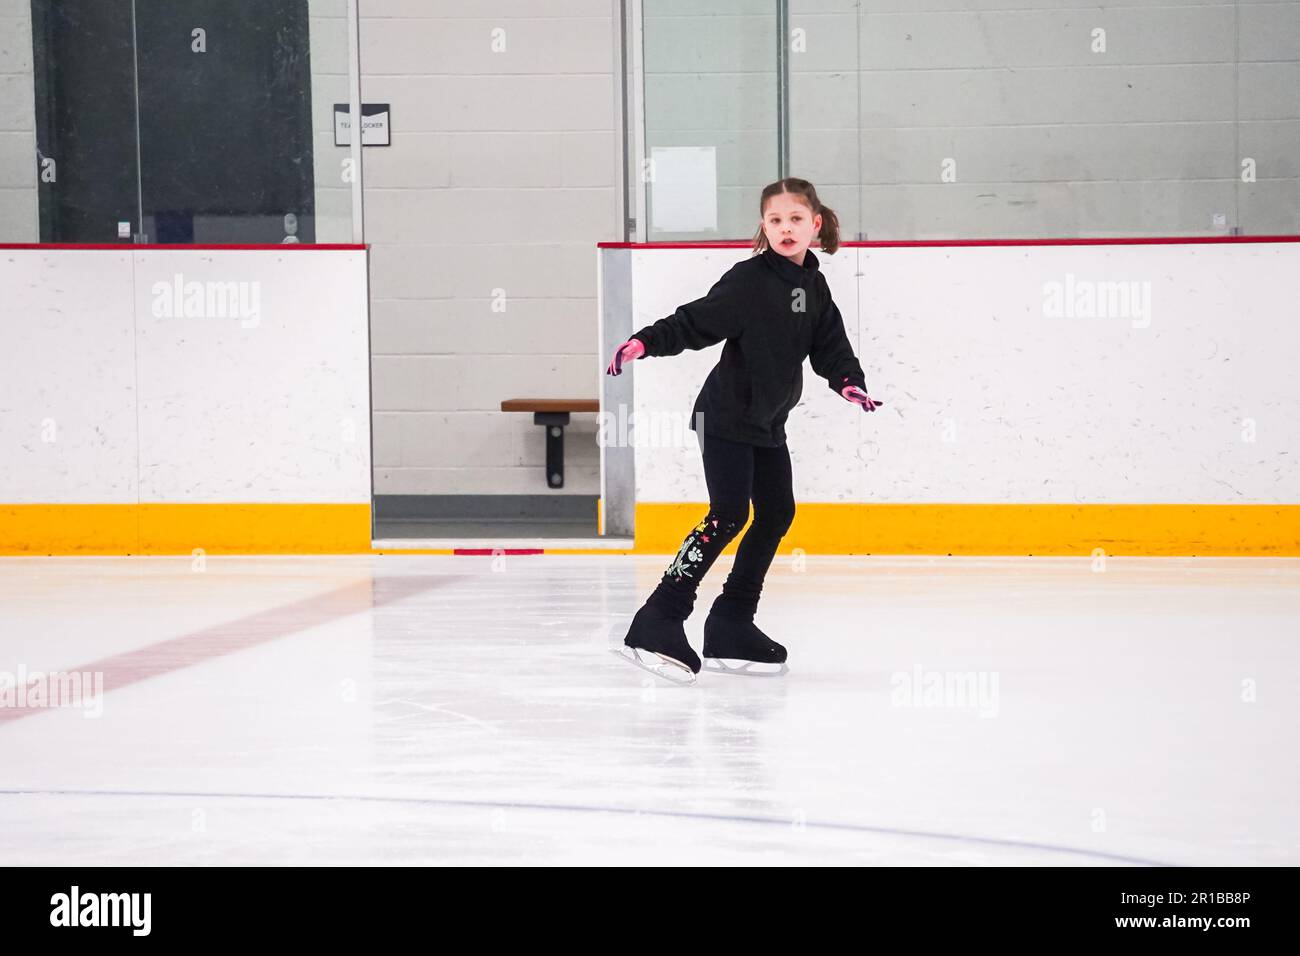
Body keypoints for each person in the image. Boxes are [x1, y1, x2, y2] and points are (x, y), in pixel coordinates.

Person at [605, 177, 883, 683]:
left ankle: (732, 621)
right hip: (726, 418)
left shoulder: (812, 287)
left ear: (815, 224)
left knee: (777, 512)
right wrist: (644, 342)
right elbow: (697, 321)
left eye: (795, 219)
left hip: (766, 423)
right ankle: (658, 617)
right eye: (775, 220)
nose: (785, 228)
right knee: (729, 514)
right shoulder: (750, 280)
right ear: (764, 226)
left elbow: (831, 347)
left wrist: (849, 383)